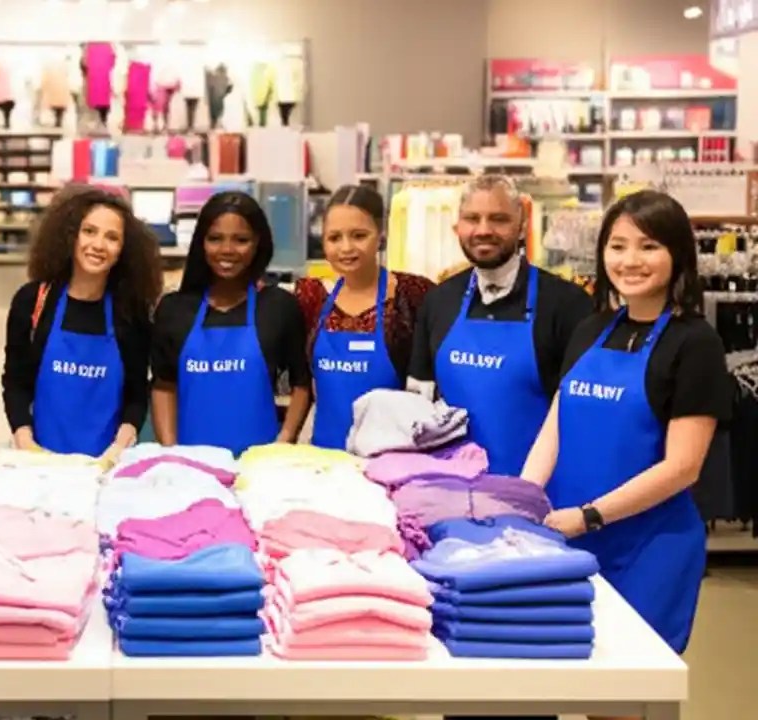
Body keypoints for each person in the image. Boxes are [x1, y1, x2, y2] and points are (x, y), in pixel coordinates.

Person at [523, 191, 727, 676]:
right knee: (557, 679)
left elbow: (683, 467)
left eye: (648, 246)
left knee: (620, 697)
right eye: (617, 246)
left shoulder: (695, 342)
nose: (630, 260)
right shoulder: (591, 328)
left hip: (647, 547)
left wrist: (591, 516)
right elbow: (558, 418)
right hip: (565, 533)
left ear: (677, 254)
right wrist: (524, 496)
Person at [409, 175, 591, 474]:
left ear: (522, 228)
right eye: (472, 218)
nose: (483, 230)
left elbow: (582, 416)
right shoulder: (439, 301)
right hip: (450, 489)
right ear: (457, 227)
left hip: (538, 493)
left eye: (498, 219)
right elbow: (419, 400)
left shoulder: (567, 304)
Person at [2, 186, 163, 459]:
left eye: (112, 237)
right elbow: (16, 383)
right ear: (71, 235)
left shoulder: (131, 313)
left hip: (105, 467)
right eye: (89, 231)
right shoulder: (33, 302)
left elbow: (136, 395)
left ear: (123, 250)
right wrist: (27, 444)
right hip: (41, 461)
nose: (98, 245)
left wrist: (118, 449)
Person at [151, 190, 310, 455]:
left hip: (259, 469)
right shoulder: (174, 309)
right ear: (201, 243)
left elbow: (302, 383)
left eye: (241, 240)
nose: (227, 250)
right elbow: (163, 386)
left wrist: (284, 442)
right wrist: (171, 453)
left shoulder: (278, 306)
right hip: (192, 468)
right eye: (215, 239)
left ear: (258, 242)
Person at [294, 185, 434, 449]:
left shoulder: (412, 295)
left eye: (359, 235)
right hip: (324, 460)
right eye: (334, 238)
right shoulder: (310, 297)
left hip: (391, 462)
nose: (346, 248)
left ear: (380, 235)